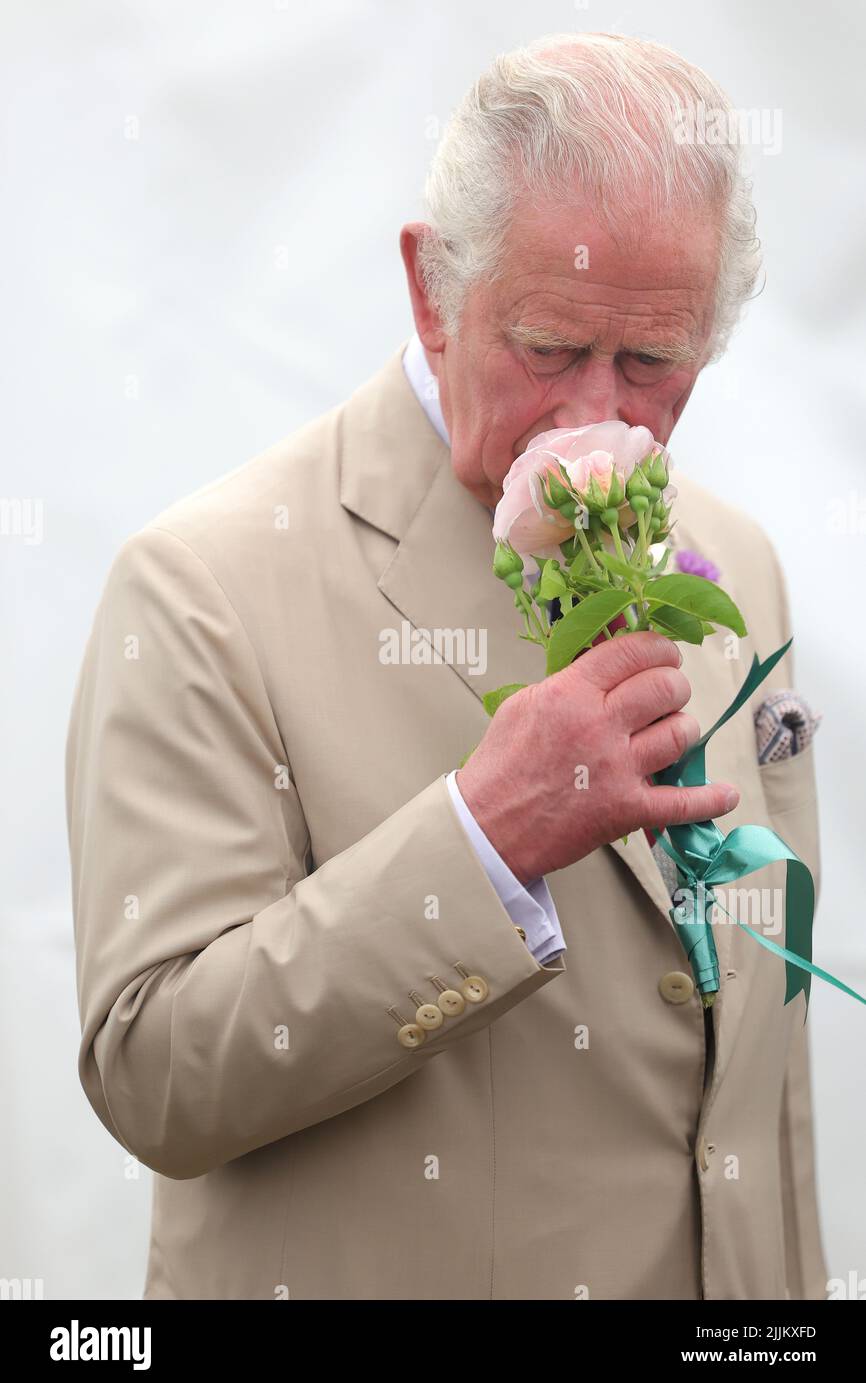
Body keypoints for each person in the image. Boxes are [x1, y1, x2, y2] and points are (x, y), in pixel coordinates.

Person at [66, 31, 827, 1300]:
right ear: (430, 289)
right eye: (546, 347)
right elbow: (152, 1073)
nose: (597, 416)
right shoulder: (198, 588)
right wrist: (482, 839)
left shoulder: (734, 563)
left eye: (651, 362)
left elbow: (755, 1079)